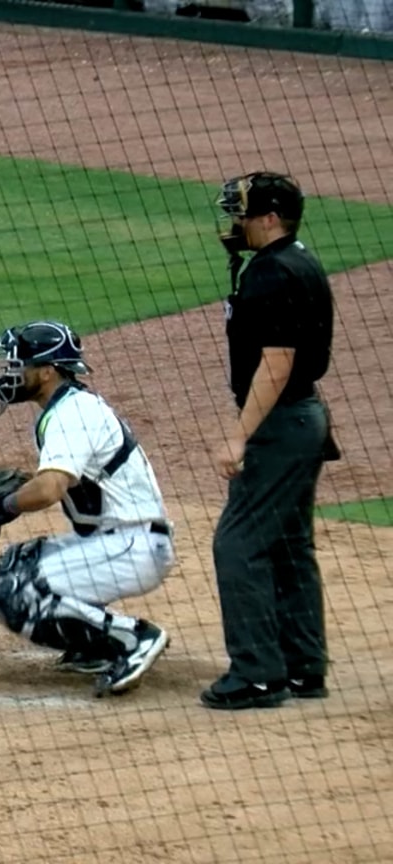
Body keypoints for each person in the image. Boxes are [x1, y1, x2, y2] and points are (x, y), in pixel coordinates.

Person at [0, 321, 176, 698]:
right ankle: (93, 646)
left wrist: (6, 504)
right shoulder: (65, 408)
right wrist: (20, 492)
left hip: (132, 548)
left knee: (19, 592)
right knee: (16, 562)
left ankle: (134, 638)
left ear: (47, 371)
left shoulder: (74, 414)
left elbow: (50, 488)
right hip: (118, 540)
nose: (12, 373)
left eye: (20, 365)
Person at [203, 171, 337, 710]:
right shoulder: (297, 260)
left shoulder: (274, 273)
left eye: (243, 213)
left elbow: (277, 364)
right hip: (303, 421)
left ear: (270, 218)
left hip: (281, 425)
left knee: (238, 544)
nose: (235, 224)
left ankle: (258, 675)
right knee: (287, 545)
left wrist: (239, 437)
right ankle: (303, 667)